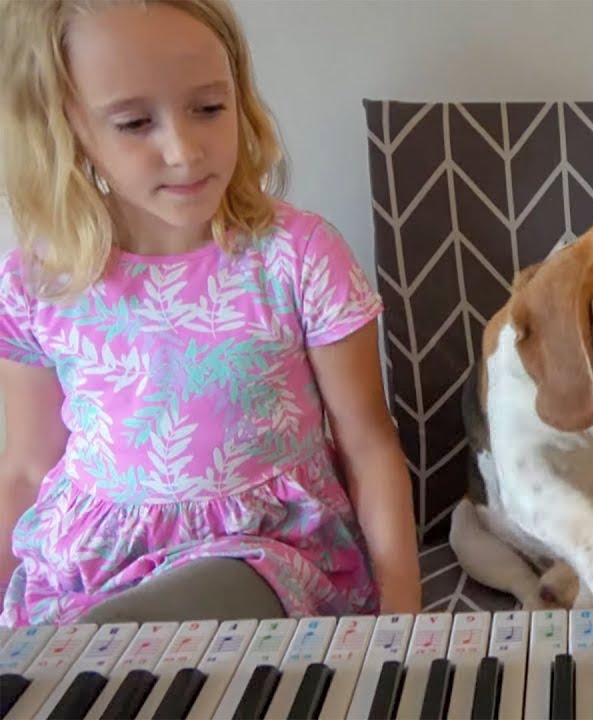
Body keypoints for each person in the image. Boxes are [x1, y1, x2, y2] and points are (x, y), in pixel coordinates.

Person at [0, 0, 422, 626]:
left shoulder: (297, 257)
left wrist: (403, 620)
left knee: (116, 644)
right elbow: (28, 466)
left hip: (265, 556)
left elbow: (366, 441)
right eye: (135, 122)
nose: (185, 150)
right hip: (90, 566)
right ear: (67, 127)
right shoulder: (39, 279)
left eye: (208, 108)